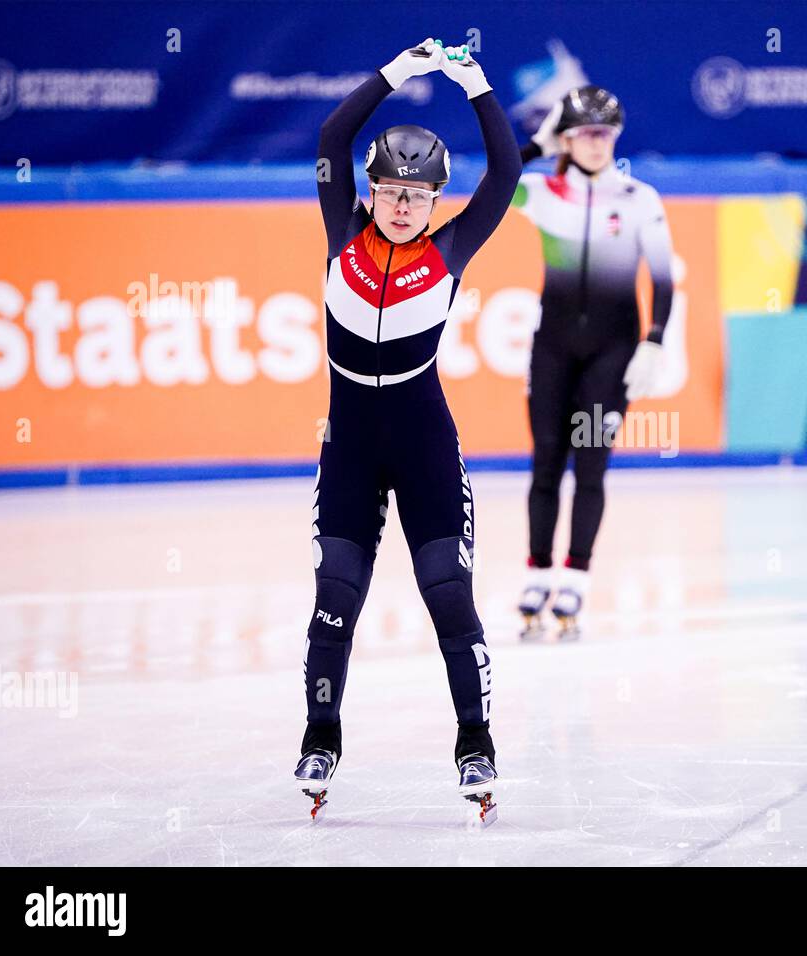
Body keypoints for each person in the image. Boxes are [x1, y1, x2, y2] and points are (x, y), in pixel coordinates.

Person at [293, 38, 519, 827]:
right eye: (389, 191)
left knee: (447, 594)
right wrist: (395, 72)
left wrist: (477, 85)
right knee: (335, 597)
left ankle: (475, 742)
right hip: (351, 442)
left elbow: (509, 173)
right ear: (370, 191)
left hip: (423, 440)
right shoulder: (339, 231)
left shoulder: (453, 248)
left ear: (434, 204)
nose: (400, 206)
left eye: (416, 197)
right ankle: (321, 734)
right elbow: (329, 139)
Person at [508, 86, 676, 638]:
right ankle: (537, 570)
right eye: (585, 134)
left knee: (591, 462)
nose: (597, 144)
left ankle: (576, 574)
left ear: (617, 139)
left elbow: (662, 276)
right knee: (547, 463)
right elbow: (487, 180)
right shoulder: (541, 191)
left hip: (612, 349)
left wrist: (652, 341)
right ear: (568, 138)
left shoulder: (637, 197)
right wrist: (535, 144)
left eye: (605, 134)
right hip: (553, 348)